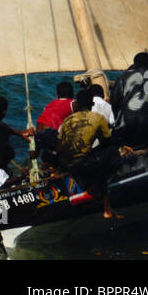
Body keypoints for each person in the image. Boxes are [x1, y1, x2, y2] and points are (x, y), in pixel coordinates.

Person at [57, 88, 121, 219]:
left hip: (67, 165)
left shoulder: (67, 121)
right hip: (84, 165)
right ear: (92, 104)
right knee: (113, 152)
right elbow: (107, 141)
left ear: (76, 105)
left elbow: (58, 148)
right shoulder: (98, 118)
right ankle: (106, 208)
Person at [110, 52, 148, 149]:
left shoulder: (122, 77)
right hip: (146, 126)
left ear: (135, 63)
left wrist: (118, 118)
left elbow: (115, 101)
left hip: (124, 125)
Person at [34, 81, 76, 166]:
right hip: (50, 134)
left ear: (57, 94)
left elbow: (43, 119)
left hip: (38, 133)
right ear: (72, 93)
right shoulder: (73, 103)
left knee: (47, 150)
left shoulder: (51, 104)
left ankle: (39, 156)